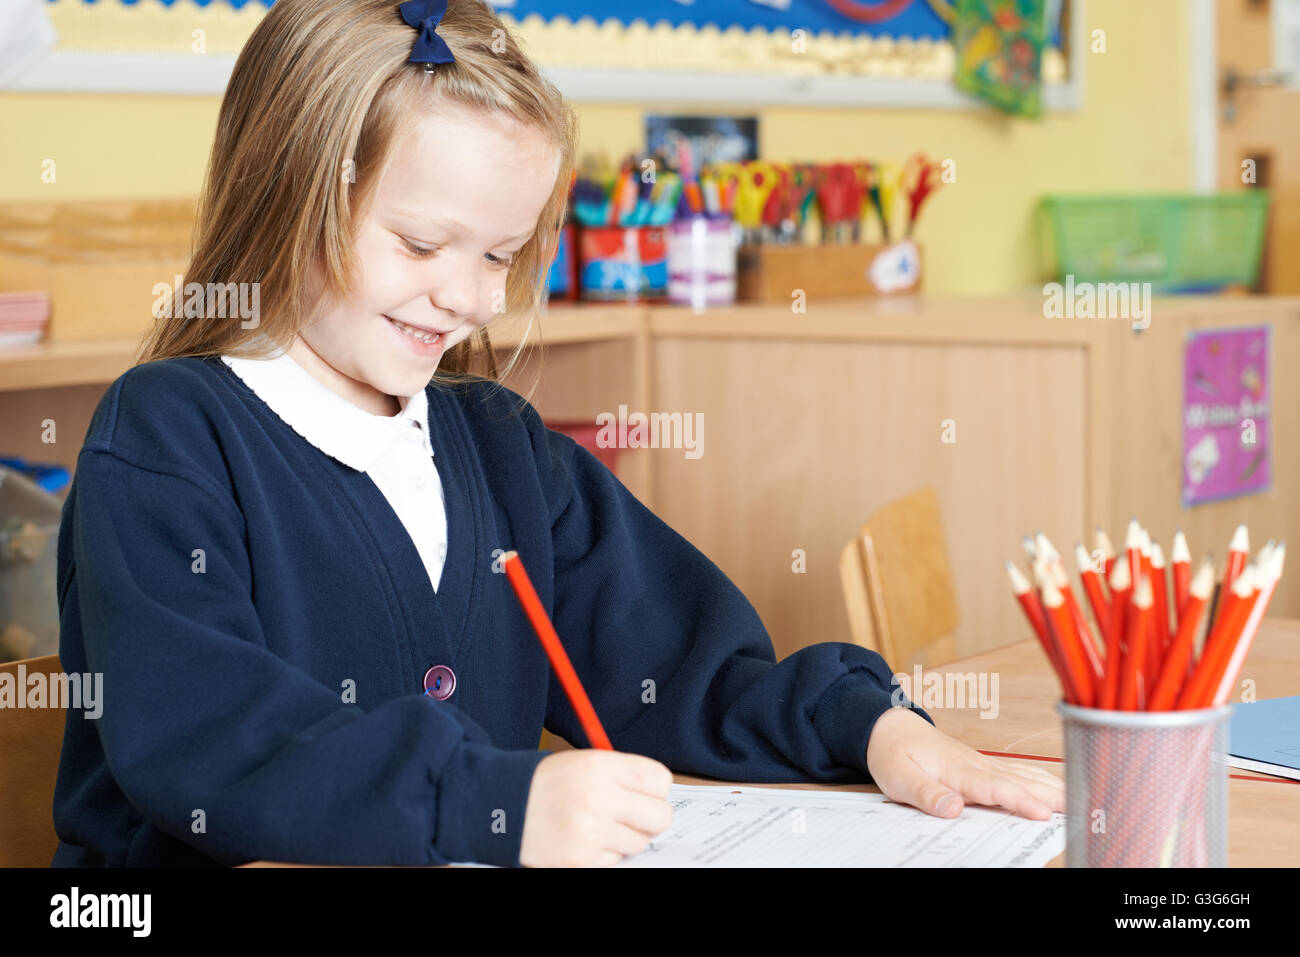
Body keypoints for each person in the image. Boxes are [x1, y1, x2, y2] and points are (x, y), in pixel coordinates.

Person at [52, 0, 1064, 868]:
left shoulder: (497, 443)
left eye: (500, 253)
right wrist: (498, 801)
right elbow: (212, 740)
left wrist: (864, 727)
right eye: (419, 243)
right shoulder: (168, 438)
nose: (468, 296)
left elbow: (677, 668)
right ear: (290, 193)